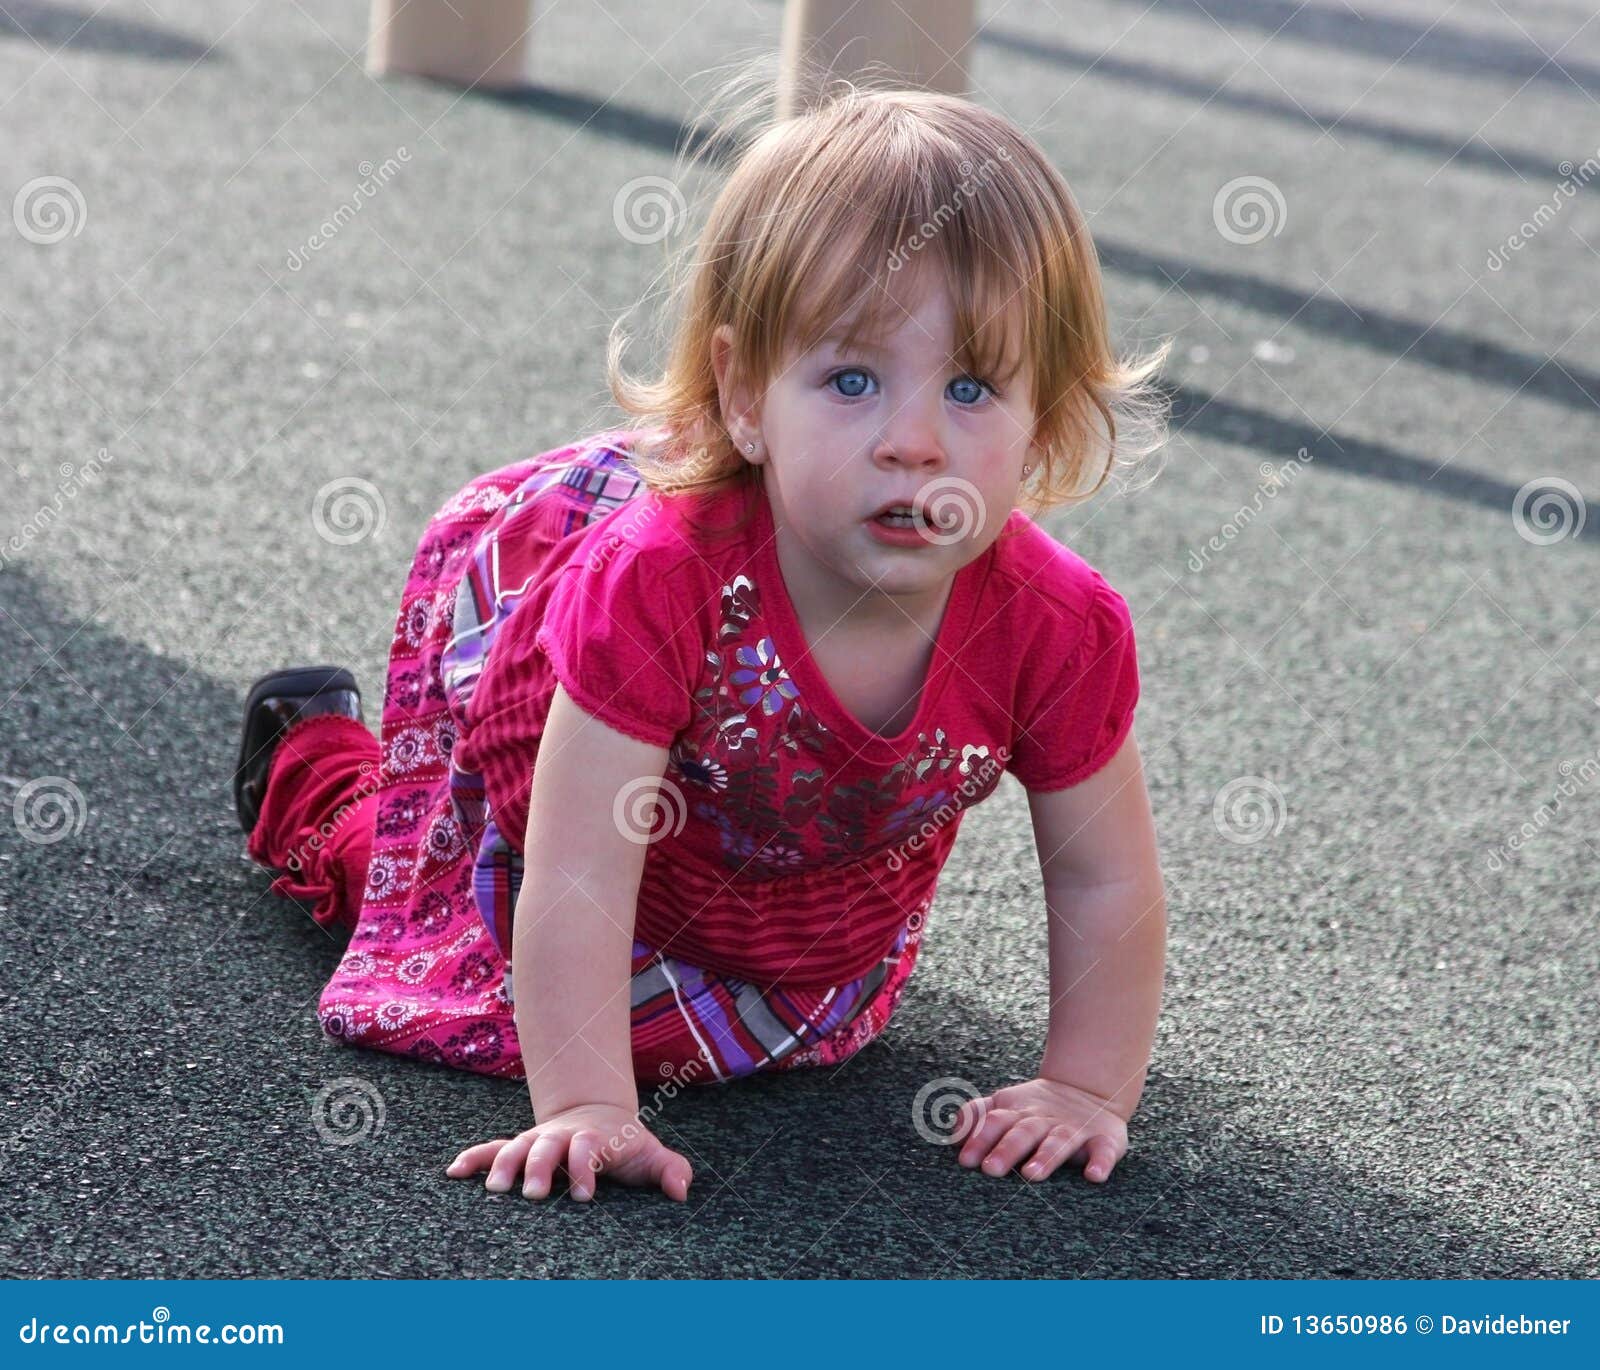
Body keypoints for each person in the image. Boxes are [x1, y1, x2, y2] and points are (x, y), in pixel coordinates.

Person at [234, 80, 1173, 1205]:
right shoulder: (662, 578)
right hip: (558, 827)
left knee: (754, 1038)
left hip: (792, 899)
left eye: (971, 386)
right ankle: (314, 767)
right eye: (852, 379)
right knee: (407, 885)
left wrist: (1085, 1085)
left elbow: (1103, 872)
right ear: (740, 395)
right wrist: (585, 1103)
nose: (912, 442)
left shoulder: (1056, 626)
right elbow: (575, 869)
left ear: (1046, 424)